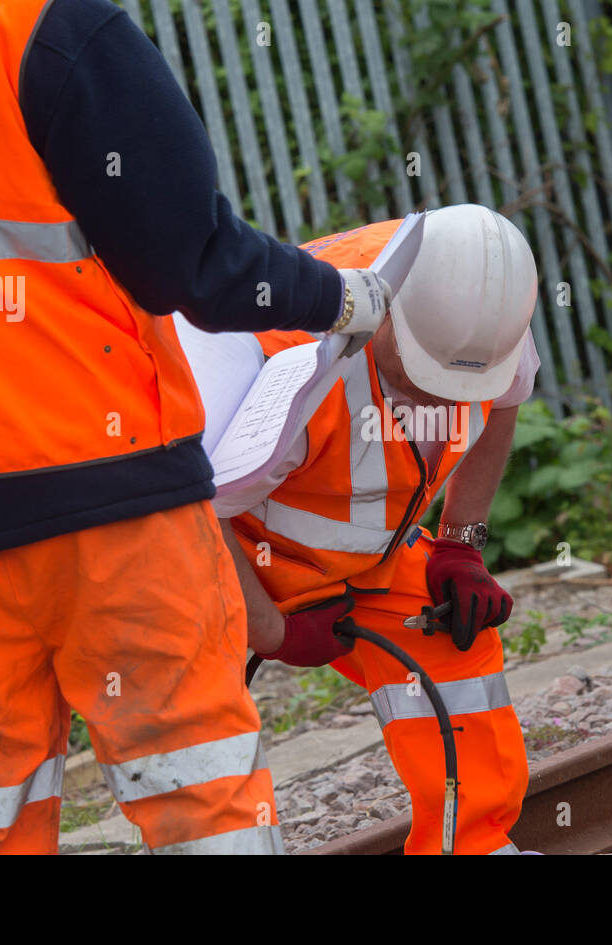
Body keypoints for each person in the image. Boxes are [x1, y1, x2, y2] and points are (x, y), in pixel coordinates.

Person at [0, 0, 386, 853]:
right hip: (112, 489)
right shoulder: (38, 21)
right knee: (193, 774)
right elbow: (188, 258)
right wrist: (337, 294)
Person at [186, 205, 537, 854]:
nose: (443, 409)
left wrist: (461, 546)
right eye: (423, 383)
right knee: (196, 714)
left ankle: (472, 844)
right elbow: (192, 513)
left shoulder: (485, 298)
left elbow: (506, 401)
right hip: (221, 561)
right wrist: (271, 627)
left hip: (364, 556)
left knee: (450, 641)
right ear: (385, 319)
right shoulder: (270, 366)